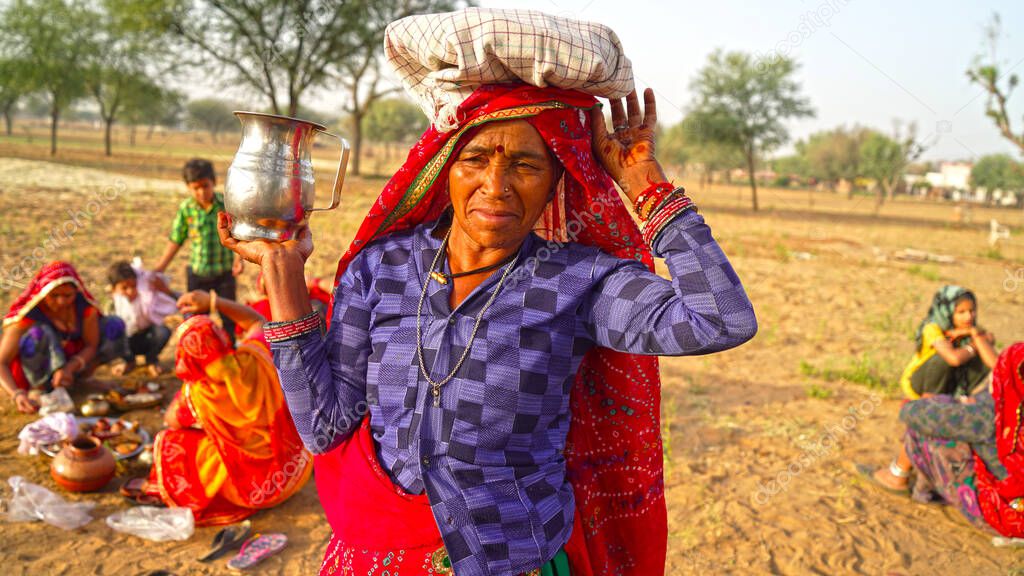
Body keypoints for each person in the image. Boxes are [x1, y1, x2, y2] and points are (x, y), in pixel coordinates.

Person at [222, 10, 755, 576]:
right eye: (475, 159)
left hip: (513, 560)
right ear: (444, 169)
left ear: (556, 181)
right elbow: (324, 426)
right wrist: (285, 289)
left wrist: (645, 184)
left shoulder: (579, 282)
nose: (495, 186)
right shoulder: (382, 270)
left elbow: (720, 319)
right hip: (376, 555)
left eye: (525, 164)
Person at [122, 290, 312, 526]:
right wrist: (214, 301)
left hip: (247, 485)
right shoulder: (254, 359)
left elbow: (172, 421)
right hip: (288, 464)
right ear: (221, 338)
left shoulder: (198, 394)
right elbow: (257, 321)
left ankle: (177, 491)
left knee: (171, 441)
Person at [863, 343, 1024, 539]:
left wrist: (926, 403)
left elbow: (913, 414)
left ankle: (897, 476)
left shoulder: (993, 415)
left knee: (929, 430)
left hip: (1009, 517)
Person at [0, 262, 127, 413]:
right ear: (43, 293)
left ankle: (81, 379)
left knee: (114, 325)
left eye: (68, 296)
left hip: (74, 363)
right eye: (54, 296)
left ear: (76, 292)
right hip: (39, 369)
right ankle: (41, 388)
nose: (61, 302)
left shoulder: (84, 307)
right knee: (39, 333)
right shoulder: (28, 315)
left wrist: (68, 368)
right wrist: (17, 394)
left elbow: (91, 346)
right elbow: (2, 362)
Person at [153, 158, 243, 340]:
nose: (202, 192)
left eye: (205, 186)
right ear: (188, 187)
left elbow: (237, 234)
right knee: (197, 318)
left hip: (224, 272)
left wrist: (239, 259)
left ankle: (231, 349)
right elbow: (176, 239)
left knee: (228, 315)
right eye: (196, 188)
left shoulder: (225, 205)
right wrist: (160, 267)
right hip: (197, 273)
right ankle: (203, 355)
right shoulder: (187, 209)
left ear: (214, 182)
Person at [899, 285, 997, 399]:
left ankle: (957, 396)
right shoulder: (932, 328)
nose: (968, 317)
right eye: (961, 312)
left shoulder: (972, 329)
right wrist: (974, 346)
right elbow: (954, 359)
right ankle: (929, 400)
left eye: (972, 311)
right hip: (920, 383)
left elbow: (994, 364)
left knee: (983, 352)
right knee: (943, 359)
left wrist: (976, 335)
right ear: (947, 311)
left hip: (949, 383)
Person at [108, 260, 177, 376]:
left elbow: (173, 301)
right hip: (126, 341)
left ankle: (151, 360)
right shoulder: (113, 305)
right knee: (113, 333)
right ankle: (129, 361)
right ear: (114, 289)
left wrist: (163, 289)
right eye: (124, 288)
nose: (130, 291)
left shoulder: (146, 296)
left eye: (133, 286)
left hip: (147, 336)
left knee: (163, 332)